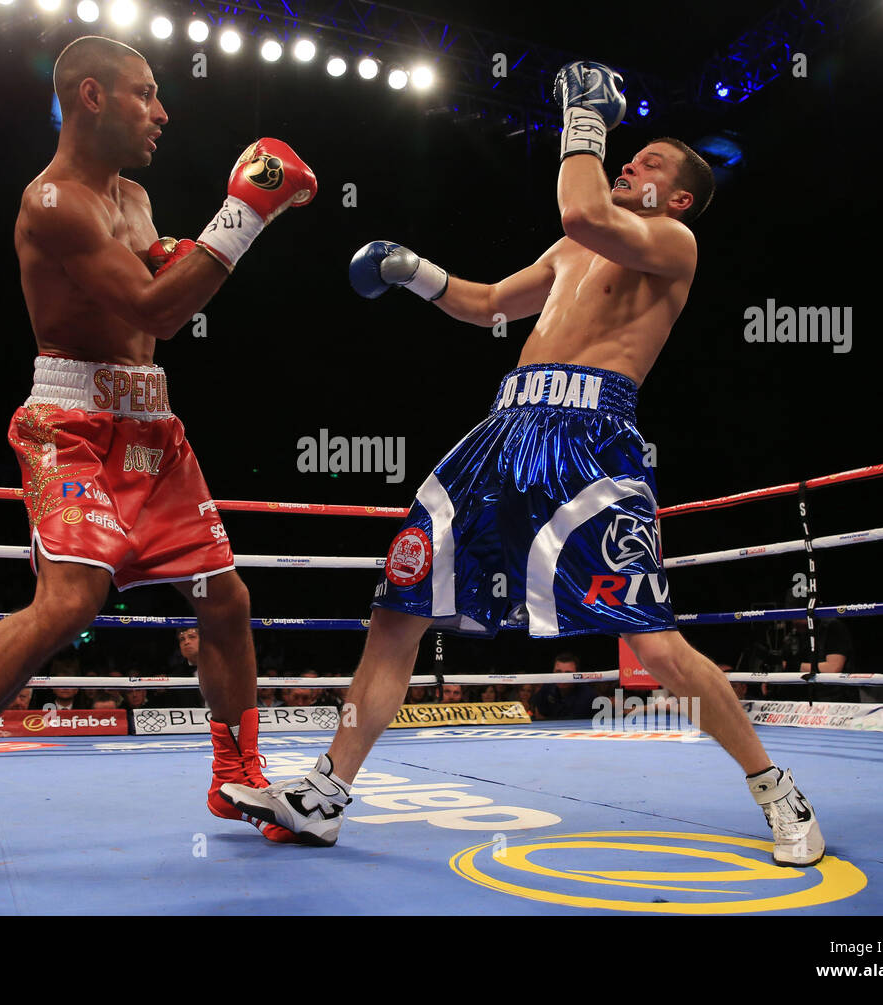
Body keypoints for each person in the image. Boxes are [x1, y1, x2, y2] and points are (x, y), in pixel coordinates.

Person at [222, 61, 822, 867]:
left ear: (677, 199)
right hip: (502, 432)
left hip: (589, 441)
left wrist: (584, 117)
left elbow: (580, 206)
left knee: (654, 644)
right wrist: (413, 270)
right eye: (626, 152)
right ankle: (326, 793)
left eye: (648, 164)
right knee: (398, 610)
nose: (628, 163)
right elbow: (490, 303)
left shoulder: (669, 243)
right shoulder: (574, 246)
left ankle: (776, 787)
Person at [0, 35, 316, 883]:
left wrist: (251, 216)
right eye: (146, 94)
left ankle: (235, 775)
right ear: (92, 96)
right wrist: (245, 212)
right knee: (70, 600)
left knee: (226, 600)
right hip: (70, 420)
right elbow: (156, 305)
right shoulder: (51, 202)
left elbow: (164, 276)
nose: (163, 112)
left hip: (151, 422)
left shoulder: (135, 197)